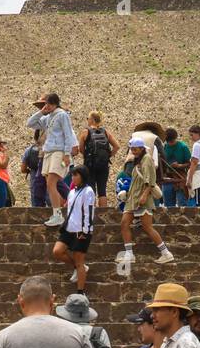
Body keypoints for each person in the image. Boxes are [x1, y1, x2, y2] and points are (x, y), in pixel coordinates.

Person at [117, 138, 174, 266]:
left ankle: (166, 253)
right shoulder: (139, 160)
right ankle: (129, 254)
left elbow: (150, 179)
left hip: (142, 198)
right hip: (133, 198)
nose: (133, 151)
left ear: (142, 148)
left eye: (135, 149)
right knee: (124, 223)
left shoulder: (146, 159)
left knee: (147, 227)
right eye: (132, 149)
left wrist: (144, 195)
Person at [29, 93, 79, 225]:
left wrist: (67, 154)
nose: (47, 106)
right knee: (49, 183)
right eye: (46, 104)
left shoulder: (62, 115)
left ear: (55, 103)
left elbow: (68, 134)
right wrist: (41, 112)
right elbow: (31, 123)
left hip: (59, 151)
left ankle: (58, 214)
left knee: (52, 182)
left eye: (49, 104)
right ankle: (56, 213)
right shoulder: (48, 117)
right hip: (48, 152)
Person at [52, 165, 95, 291]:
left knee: (79, 260)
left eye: (76, 175)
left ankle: (80, 291)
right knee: (57, 251)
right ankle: (76, 267)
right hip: (69, 228)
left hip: (81, 230)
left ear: (83, 176)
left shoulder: (88, 191)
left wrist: (85, 231)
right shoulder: (72, 192)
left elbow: (89, 212)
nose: (73, 177)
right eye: (72, 175)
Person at [79, 111, 120, 209]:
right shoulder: (105, 132)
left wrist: (88, 157)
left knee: (91, 190)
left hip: (90, 165)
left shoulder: (86, 132)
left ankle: (92, 214)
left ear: (92, 119)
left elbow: (81, 149)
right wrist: (108, 156)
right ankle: (103, 214)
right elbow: (117, 146)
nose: (87, 120)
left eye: (88, 118)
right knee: (102, 191)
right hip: (103, 165)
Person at [160, 127, 192, 208]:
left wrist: (179, 165)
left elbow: (190, 163)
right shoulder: (163, 147)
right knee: (168, 206)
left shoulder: (183, 147)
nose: (170, 143)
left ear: (175, 138)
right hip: (167, 178)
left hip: (180, 178)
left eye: (172, 141)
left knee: (182, 203)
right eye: (168, 142)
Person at [21, 130, 49, 208]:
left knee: (36, 204)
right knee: (50, 200)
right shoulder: (49, 150)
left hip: (34, 177)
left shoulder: (28, 150)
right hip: (48, 176)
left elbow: (23, 169)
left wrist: (29, 170)